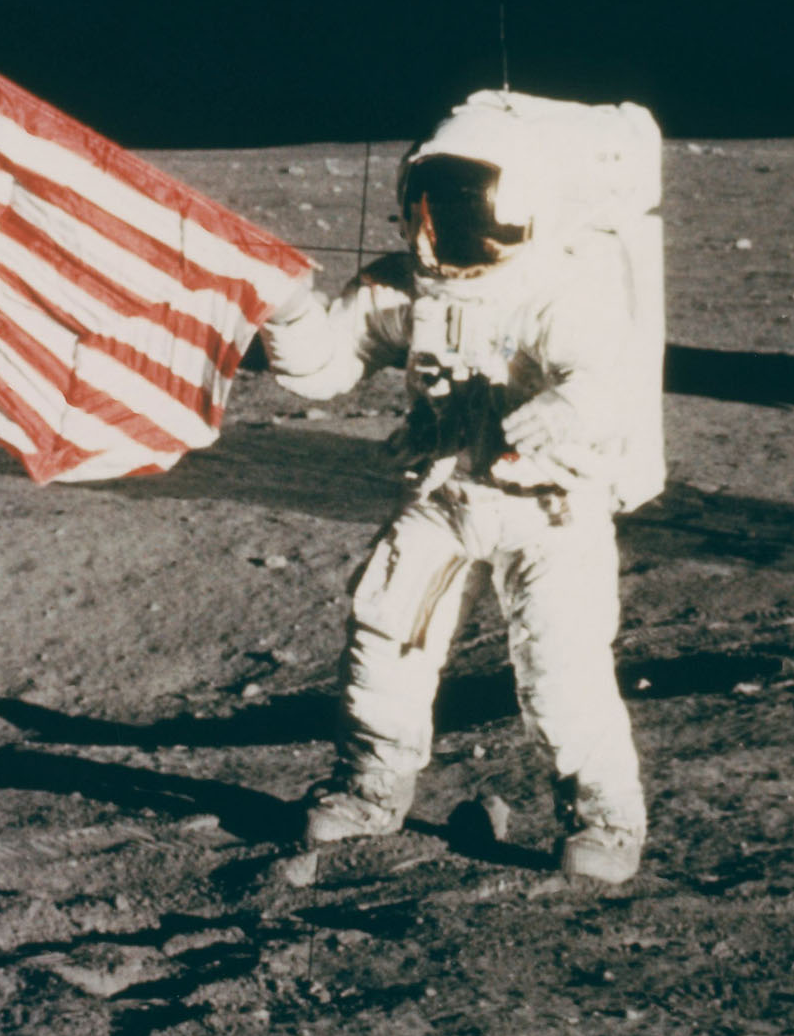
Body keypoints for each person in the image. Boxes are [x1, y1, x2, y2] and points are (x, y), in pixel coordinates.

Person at [257, 92, 662, 891]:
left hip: (551, 505)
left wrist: (563, 408)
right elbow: (329, 368)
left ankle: (606, 815)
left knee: (561, 666)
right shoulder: (406, 288)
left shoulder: (562, 284)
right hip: (446, 493)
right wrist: (291, 313)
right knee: (385, 638)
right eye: (432, 208)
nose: (444, 229)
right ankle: (372, 789)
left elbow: (610, 372)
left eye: (465, 209)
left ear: (526, 208)